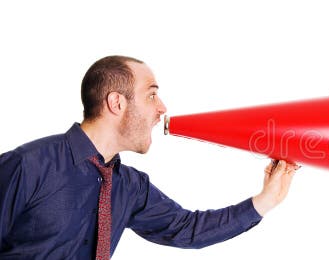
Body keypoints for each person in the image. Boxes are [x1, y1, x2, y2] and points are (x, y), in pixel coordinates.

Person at [0, 55, 299, 259]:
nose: (162, 108)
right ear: (116, 102)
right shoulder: (28, 166)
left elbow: (187, 229)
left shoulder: (130, 187)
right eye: (152, 94)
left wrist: (265, 200)